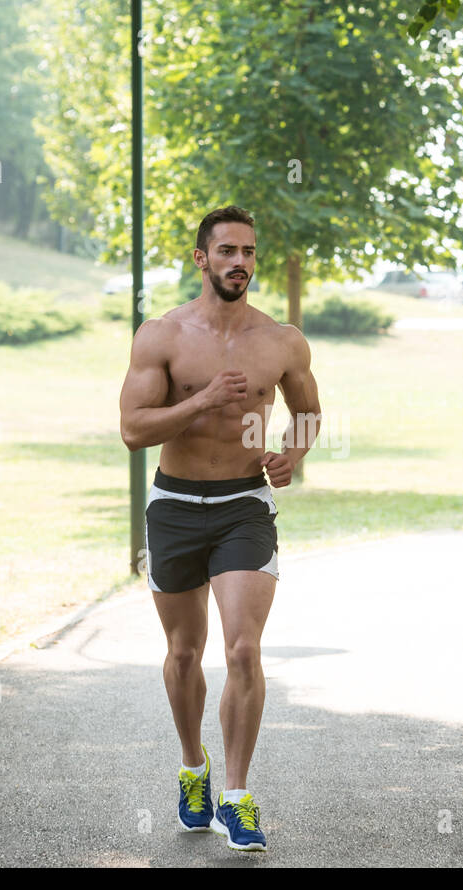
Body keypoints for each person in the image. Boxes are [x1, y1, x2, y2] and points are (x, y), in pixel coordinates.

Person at [118, 205, 321, 852]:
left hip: (244, 505)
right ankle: (193, 767)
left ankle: (237, 795)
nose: (241, 262)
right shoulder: (162, 335)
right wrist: (202, 400)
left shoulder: (281, 340)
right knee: (183, 653)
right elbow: (132, 430)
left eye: (250, 252)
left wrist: (294, 453)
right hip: (174, 504)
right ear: (202, 259)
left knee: (241, 650)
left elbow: (309, 413)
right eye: (228, 250)